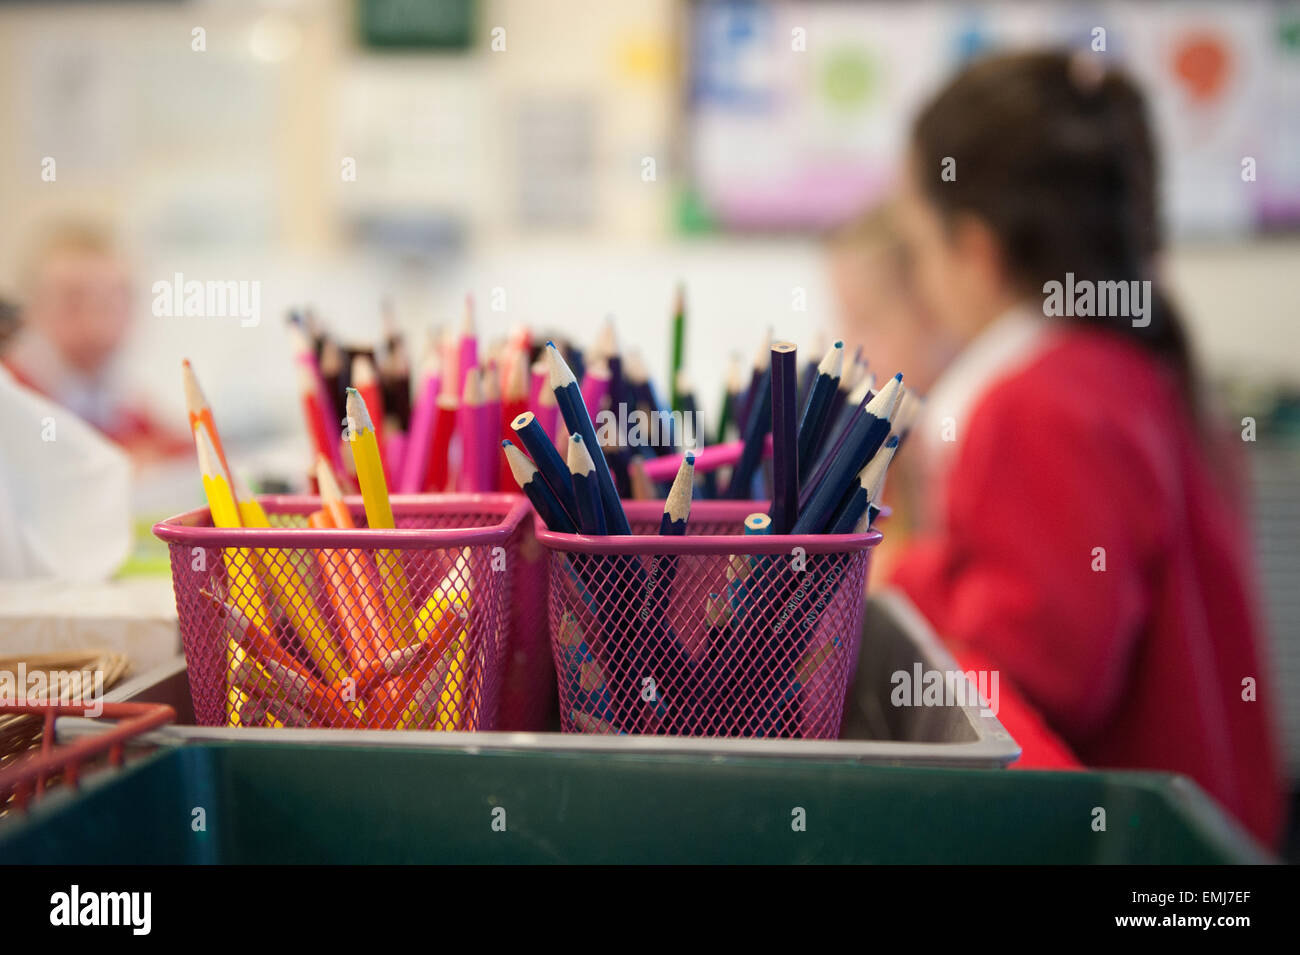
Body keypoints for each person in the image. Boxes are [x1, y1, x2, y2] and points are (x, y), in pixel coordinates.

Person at [873, 50, 1282, 844]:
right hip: (1210, 834)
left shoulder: (1040, 402)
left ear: (977, 250)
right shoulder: (1134, 364)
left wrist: (901, 579)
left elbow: (1036, 671)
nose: (918, 282)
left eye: (918, 248)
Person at [2, 222, 190, 465]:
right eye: (73, 303)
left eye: (113, 303)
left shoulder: (123, 404)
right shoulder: (12, 400)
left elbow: (193, 456)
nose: (97, 326)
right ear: (30, 310)